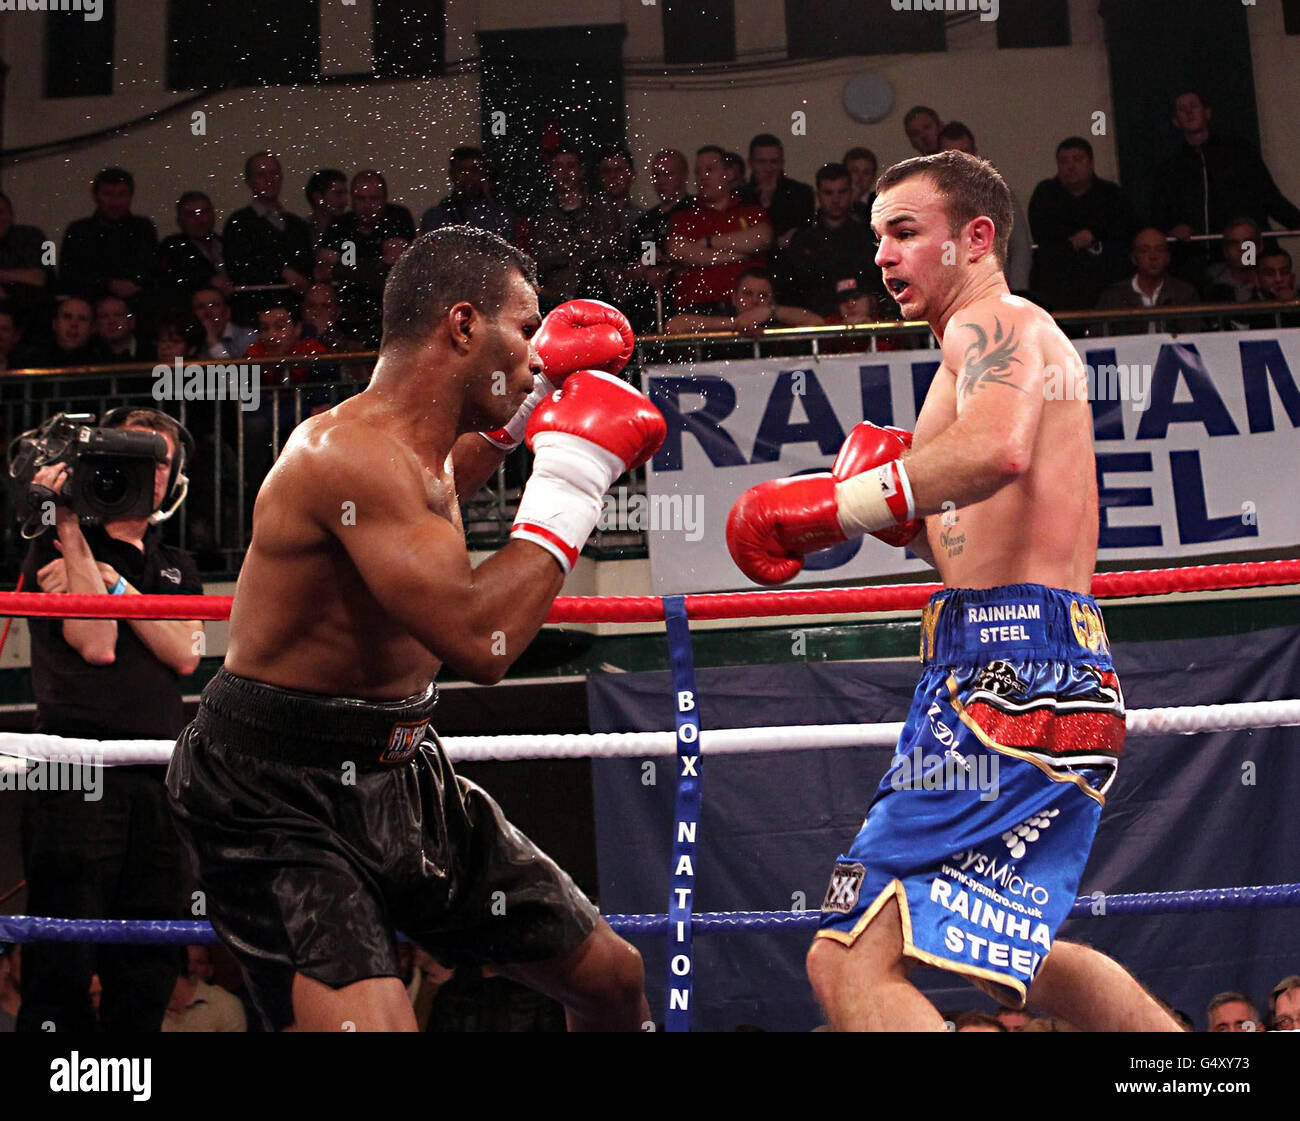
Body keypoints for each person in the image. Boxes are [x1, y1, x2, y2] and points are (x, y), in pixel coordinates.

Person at [726, 150, 1181, 1032]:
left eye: (905, 232)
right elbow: (969, 528)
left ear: (976, 238)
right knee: (1013, 956)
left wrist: (839, 505)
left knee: (846, 955)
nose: (883, 256)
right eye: (877, 238)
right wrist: (900, 516)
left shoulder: (995, 322)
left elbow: (999, 448)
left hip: (1008, 679)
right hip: (1035, 667)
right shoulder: (964, 362)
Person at [166, 227, 664, 1032]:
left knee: (613, 979)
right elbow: (482, 641)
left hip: (401, 767)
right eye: (526, 329)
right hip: (275, 793)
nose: (540, 355)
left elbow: (447, 476)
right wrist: (577, 472)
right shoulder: (346, 455)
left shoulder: (421, 454)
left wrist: (530, 402)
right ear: (463, 325)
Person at [18, 408, 203, 1032]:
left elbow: (186, 653)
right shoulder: (54, 545)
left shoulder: (175, 563)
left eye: (163, 461)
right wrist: (69, 527)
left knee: (150, 952)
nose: (152, 472)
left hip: (154, 773)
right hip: (73, 769)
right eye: (137, 455)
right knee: (63, 953)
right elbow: (95, 643)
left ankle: (129, 1073)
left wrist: (116, 586)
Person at [1027, 137, 1134, 310]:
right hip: (1059, 286)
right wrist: (1072, 244)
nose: (1070, 167)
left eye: (1077, 160)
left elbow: (1123, 232)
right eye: (1064, 161)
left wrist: (1092, 234)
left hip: (1107, 284)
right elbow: (1044, 237)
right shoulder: (1046, 194)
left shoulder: (1111, 194)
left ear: (1091, 163)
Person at [317, 169, 415, 347]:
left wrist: (343, 269)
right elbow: (322, 271)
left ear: (384, 199)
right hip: (350, 312)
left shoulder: (397, 217)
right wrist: (374, 268)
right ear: (352, 199)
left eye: (374, 199)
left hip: (390, 310)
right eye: (361, 199)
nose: (367, 205)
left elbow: (392, 269)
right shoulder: (342, 224)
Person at [668, 146, 772, 315]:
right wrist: (738, 256)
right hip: (697, 311)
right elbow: (678, 250)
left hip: (748, 311)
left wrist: (708, 243)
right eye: (698, 172)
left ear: (729, 174)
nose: (703, 176)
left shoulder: (750, 211)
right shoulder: (684, 216)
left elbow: (762, 237)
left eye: (709, 170)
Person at [938, 122, 1031, 293]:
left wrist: (1017, 292)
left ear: (975, 154)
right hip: (948, 294)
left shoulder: (999, 194)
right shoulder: (928, 201)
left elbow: (1020, 248)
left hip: (997, 291)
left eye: (965, 153)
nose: (960, 162)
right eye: (952, 156)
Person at [773, 162, 877, 317]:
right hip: (817, 321)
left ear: (851, 193)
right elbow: (793, 292)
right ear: (818, 196)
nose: (836, 199)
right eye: (829, 193)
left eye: (842, 192)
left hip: (866, 318)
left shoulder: (868, 235)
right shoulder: (802, 240)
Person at [222, 152, 314, 324]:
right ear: (249, 181)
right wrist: (283, 272)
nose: (269, 180)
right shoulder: (238, 223)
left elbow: (307, 266)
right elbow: (238, 269)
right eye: (261, 175)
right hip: (253, 319)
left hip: (294, 318)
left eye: (274, 173)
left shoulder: (297, 225)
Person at [58, 167, 158, 307]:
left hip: (135, 305)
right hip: (91, 306)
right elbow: (68, 276)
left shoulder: (143, 228)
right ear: (96, 196)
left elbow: (152, 270)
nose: (115, 201)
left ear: (130, 197)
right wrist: (108, 285)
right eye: (108, 194)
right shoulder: (79, 231)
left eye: (121, 194)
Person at [1096, 227, 1201, 335]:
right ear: (1134, 258)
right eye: (1144, 251)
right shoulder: (1114, 296)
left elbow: (1195, 337)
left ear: (1168, 257)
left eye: (1159, 250)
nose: (1153, 256)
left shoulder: (1184, 294)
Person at [665, 266, 822, 335]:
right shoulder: (721, 312)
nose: (754, 301)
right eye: (747, 294)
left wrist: (771, 312)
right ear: (734, 298)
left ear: (772, 300)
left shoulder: (777, 321)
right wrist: (736, 324)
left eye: (762, 296)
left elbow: (818, 323)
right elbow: (673, 325)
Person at [737, 133, 814, 249]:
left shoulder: (801, 194)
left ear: (782, 163)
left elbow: (799, 237)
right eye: (762, 162)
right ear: (751, 163)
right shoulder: (738, 196)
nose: (768, 168)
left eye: (774, 162)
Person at [154, 191, 231, 296]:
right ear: (180, 221)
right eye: (190, 215)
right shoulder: (172, 248)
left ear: (213, 215)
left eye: (204, 213)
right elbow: (169, 282)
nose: (199, 220)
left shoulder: (228, 244)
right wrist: (207, 281)